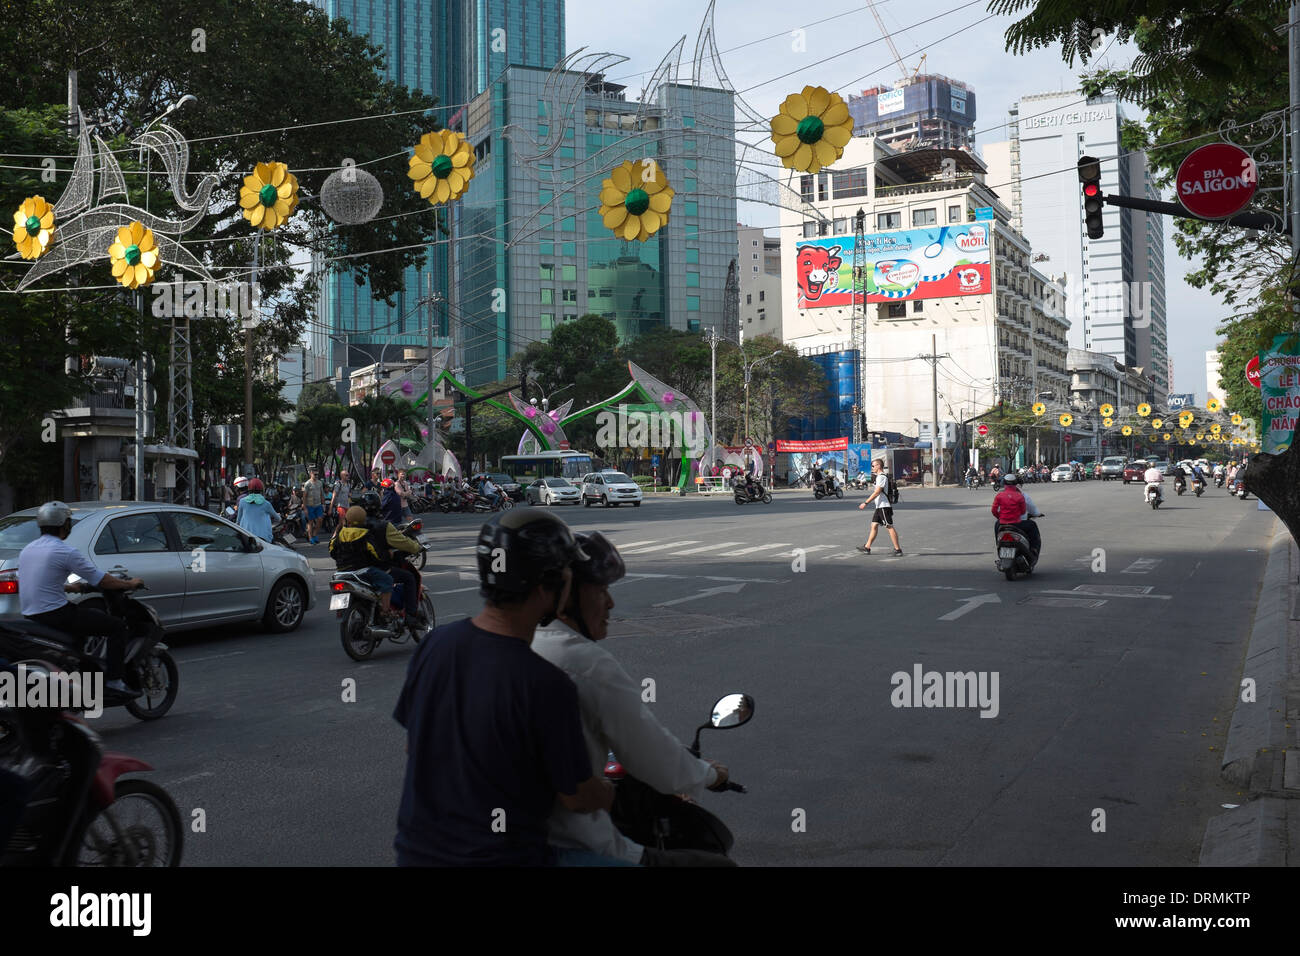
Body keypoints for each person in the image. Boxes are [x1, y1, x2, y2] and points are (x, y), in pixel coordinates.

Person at [393, 510, 616, 866]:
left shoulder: (435, 646)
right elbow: (576, 796)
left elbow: (414, 744)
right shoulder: (547, 684)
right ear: (548, 586)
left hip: (415, 855)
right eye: (567, 577)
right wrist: (609, 793)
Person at [531, 532, 736, 867]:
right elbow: (651, 753)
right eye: (601, 591)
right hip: (567, 845)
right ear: (565, 593)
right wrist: (708, 775)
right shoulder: (585, 662)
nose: (610, 603)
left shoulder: (510, 648)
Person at [17, 501, 144, 700]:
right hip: (57, 614)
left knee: (87, 622)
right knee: (117, 627)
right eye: (69, 522)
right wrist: (129, 584)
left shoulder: (28, 549)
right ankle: (114, 681)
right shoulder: (64, 551)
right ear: (64, 524)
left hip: (31, 614)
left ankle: (83, 673)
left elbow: (40, 581)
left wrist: (70, 587)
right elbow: (102, 580)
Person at [330, 505, 407, 623]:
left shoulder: (340, 534)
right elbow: (378, 555)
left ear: (347, 520)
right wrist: (389, 555)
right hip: (362, 571)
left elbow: (332, 551)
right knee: (387, 580)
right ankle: (385, 612)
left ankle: (341, 610)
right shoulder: (365, 535)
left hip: (341, 572)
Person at [356, 491, 422, 623]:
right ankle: (410, 616)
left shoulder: (353, 525)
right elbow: (403, 542)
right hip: (377, 567)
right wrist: (417, 547)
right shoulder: (384, 526)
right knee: (409, 577)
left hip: (355, 568)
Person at [856, 458, 902, 555]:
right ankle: (867, 547)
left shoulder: (881, 477)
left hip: (884, 506)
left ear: (878, 466)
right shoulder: (878, 477)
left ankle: (898, 550)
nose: (872, 468)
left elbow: (877, 492)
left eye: (873, 466)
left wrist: (866, 502)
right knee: (874, 525)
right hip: (879, 506)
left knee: (889, 526)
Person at [992, 473, 1041, 556]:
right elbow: (1023, 511)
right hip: (1017, 523)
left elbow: (994, 510)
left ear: (1004, 483)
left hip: (1002, 523)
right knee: (1033, 525)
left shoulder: (999, 495)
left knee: (996, 526)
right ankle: (1034, 549)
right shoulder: (1020, 496)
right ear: (1015, 484)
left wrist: (1000, 517)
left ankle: (998, 545)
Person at [235, 478, 280, 543]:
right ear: (261, 490)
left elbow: (238, 521)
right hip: (263, 538)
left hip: (247, 537)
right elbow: (277, 518)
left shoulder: (242, 502)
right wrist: (279, 517)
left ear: (249, 489)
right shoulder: (266, 503)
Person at [302, 469, 325, 545]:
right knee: (310, 522)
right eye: (315, 474)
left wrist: (323, 504)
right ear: (311, 474)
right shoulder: (307, 484)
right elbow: (304, 496)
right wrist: (305, 508)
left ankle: (315, 534)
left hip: (318, 505)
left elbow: (322, 494)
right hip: (310, 505)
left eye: (317, 474)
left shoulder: (320, 483)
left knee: (320, 520)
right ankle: (310, 538)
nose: (316, 476)